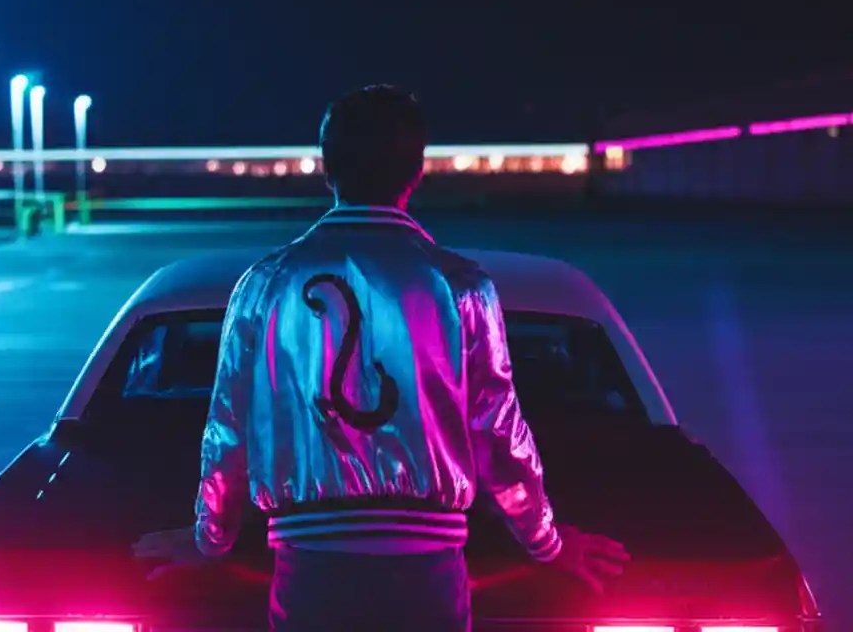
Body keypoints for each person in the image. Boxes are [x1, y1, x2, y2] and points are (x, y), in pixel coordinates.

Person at [134, 85, 629, 631]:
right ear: (416, 172)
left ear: (327, 169)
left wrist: (210, 538)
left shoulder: (262, 285)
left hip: (309, 571)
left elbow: (229, 428)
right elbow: (499, 431)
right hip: (428, 573)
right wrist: (546, 543)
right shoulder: (462, 286)